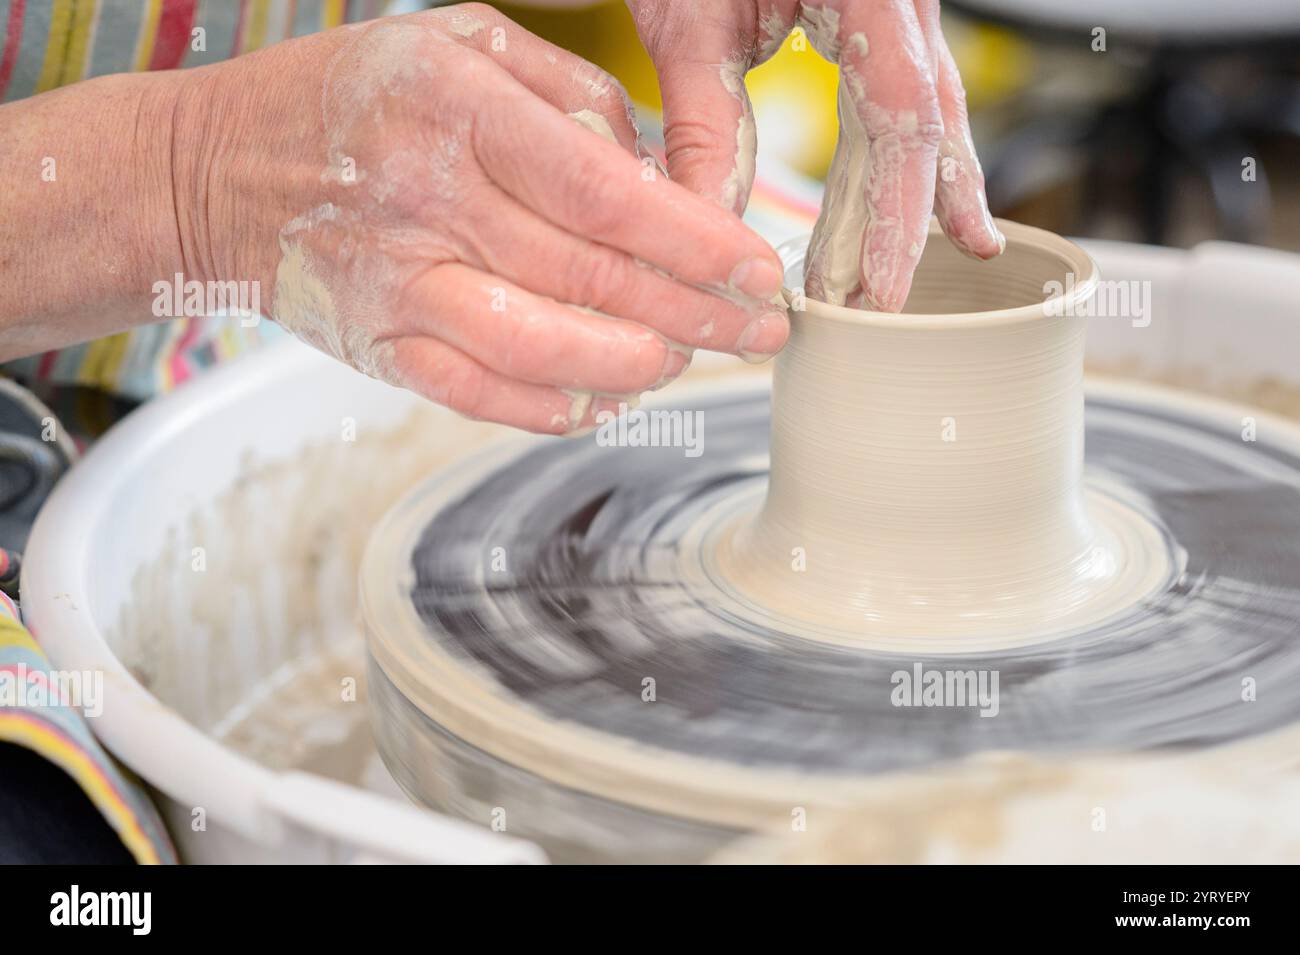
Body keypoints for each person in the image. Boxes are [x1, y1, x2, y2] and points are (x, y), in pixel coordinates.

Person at [0, 0, 998, 863]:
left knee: (769, 251)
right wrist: (186, 178)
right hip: (140, 226)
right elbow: (198, 176)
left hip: (387, 160)